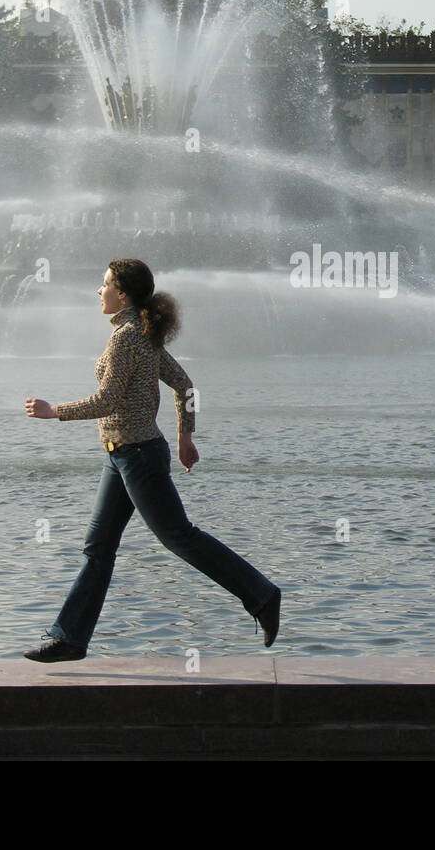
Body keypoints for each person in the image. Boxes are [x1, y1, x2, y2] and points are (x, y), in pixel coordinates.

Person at [23, 258, 280, 661]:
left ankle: (261, 594)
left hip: (137, 456)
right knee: (98, 548)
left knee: (178, 537)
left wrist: (53, 411)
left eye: (105, 283)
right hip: (121, 456)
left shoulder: (127, 338)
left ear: (122, 293)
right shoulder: (142, 334)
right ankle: (70, 638)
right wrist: (184, 436)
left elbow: (106, 400)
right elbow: (185, 385)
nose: (99, 290)